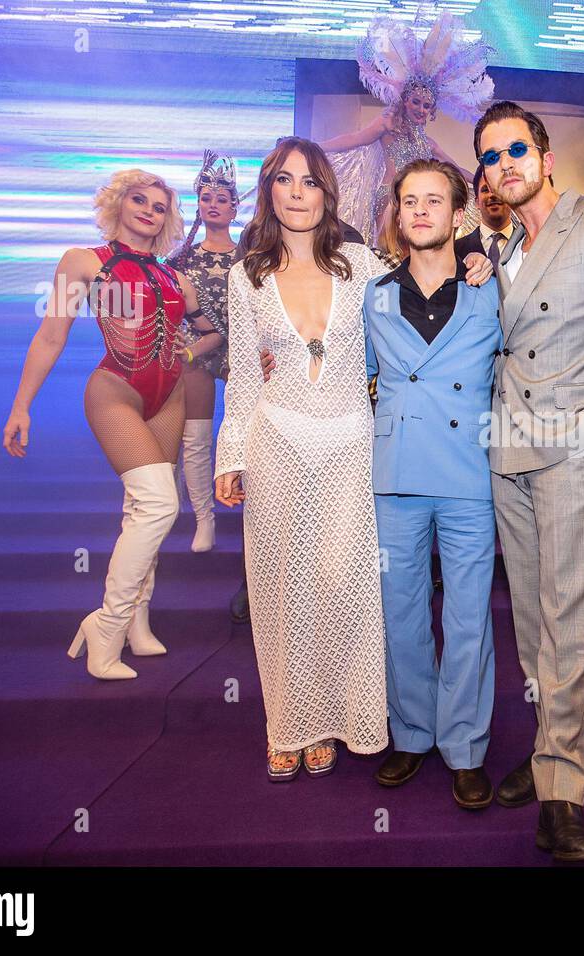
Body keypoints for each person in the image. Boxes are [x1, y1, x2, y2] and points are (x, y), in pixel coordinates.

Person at [476, 101, 584, 862]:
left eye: (515, 149)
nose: (504, 164)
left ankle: (563, 792)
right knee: (530, 622)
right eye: (490, 157)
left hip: (569, 453)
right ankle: (548, 745)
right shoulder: (500, 249)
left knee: (570, 620)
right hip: (507, 454)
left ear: (546, 158)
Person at [213, 137, 390, 781]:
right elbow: (243, 377)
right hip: (278, 443)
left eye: (310, 181)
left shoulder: (360, 263)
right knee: (283, 589)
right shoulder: (246, 276)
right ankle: (290, 722)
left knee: (344, 586)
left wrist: (475, 259)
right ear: (269, 191)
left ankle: (341, 716)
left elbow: (420, 298)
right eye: (284, 180)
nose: (296, 192)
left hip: (350, 446)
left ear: (326, 193)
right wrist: (230, 455)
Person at [3, 169, 219, 679]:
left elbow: (212, 333)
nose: (149, 211)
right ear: (119, 204)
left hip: (169, 395)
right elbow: (51, 336)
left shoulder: (176, 278)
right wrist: (21, 406)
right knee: (160, 503)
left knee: (142, 510)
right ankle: (107, 623)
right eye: (139, 200)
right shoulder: (84, 261)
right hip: (115, 389)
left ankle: (137, 621)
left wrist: (189, 349)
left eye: (159, 207)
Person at [360, 159, 501, 809]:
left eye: (434, 200)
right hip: (396, 473)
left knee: (469, 615)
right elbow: (349, 379)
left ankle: (465, 744)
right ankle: (413, 732)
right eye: (409, 200)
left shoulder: (490, 288)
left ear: (457, 213)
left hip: (469, 472)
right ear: (397, 213)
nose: (420, 211)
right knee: (402, 612)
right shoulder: (373, 295)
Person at [321, 4, 493, 248]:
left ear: (432, 111)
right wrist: (314, 146)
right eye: (416, 102)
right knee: (388, 249)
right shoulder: (388, 125)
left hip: (416, 201)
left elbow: (455, 168)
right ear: (404, 100)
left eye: (426, 105)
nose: (420, 109)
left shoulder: (428, 144)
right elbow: (354, 138)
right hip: (390, 198)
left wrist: (485, 179)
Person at [166, 151, 239, 553]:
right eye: (206, 198)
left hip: (239, 353)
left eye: (221, 199)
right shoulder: (180, 257)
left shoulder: (248, 256)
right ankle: (204, 518)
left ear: (234, 207)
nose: (213, 204)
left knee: (248, 431)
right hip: (195, 350)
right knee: (195, 438)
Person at [455, 164, 513, 265]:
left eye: (498, 188)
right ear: (476, 202)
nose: (492, 195)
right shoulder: (455, 250)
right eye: (485, 190)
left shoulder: (529, 244)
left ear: (512, 197)